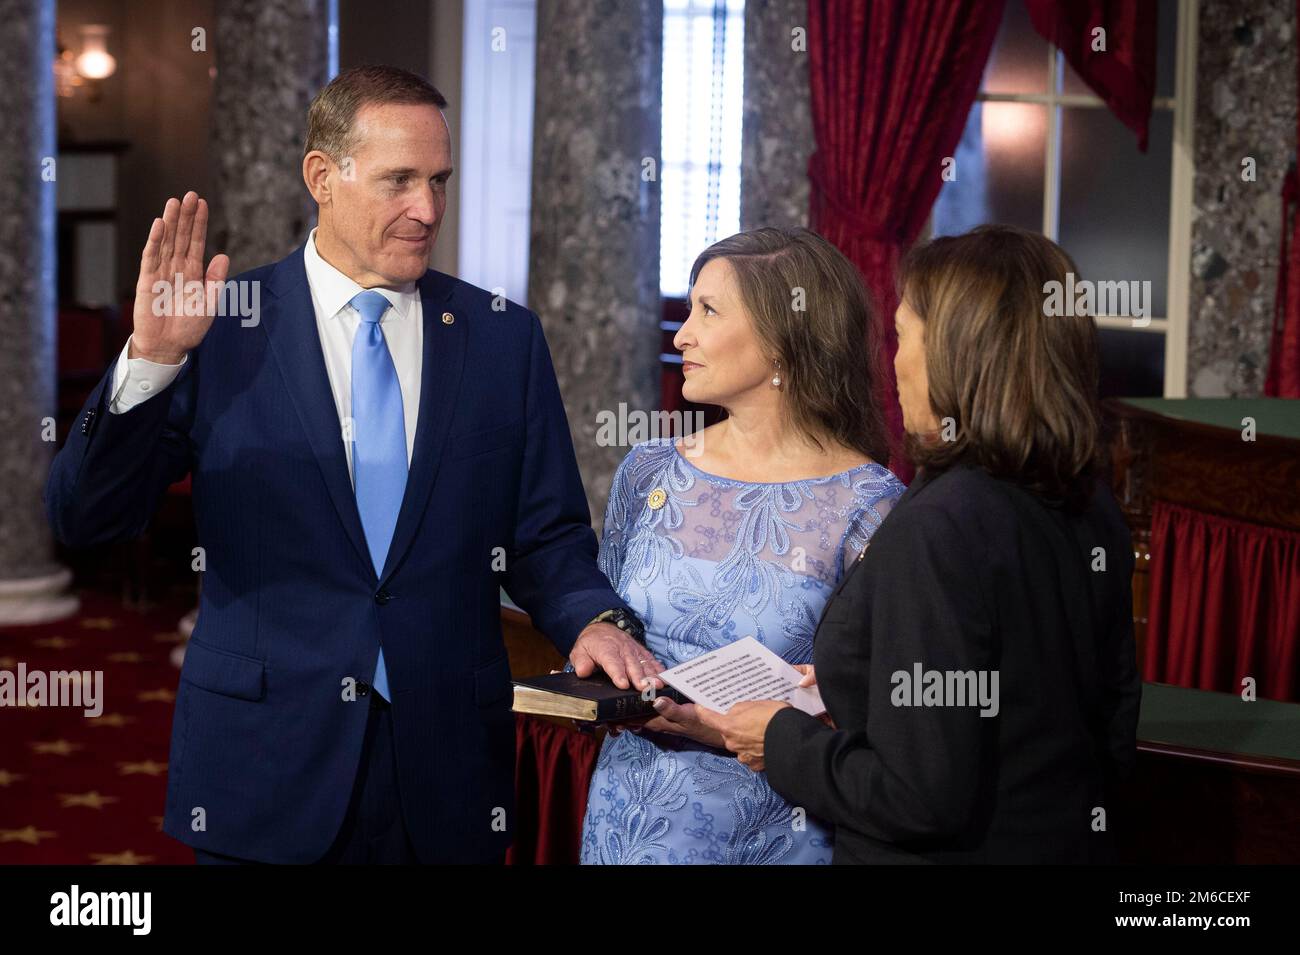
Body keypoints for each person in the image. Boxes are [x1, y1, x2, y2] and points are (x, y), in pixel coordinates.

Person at [44, 65, 657, 864]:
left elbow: (544, 533)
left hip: (446, 769)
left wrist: (592, 616)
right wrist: (152, 361)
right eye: (400, 180)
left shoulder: (502, 338)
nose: (428, 209)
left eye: (439, 180)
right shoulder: (222, 329)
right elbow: (85, 517)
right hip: (264, 765)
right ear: (321, 177)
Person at [700, 224, 1142, 864]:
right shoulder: (1089, 502)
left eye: (903, 335)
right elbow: (1100, 724)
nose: (894, 361)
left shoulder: (940, 527)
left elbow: (918, 796)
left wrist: (780, 738)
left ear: (957, 353)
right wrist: (862, 683)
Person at [579, 228, 907, 864]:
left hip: (776, 830)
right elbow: (606, 626)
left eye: (709, 311)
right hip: (625, 816)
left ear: (783, 337)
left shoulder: (871, 504)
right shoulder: (649, 470)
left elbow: (881, 716)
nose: (681, 335)